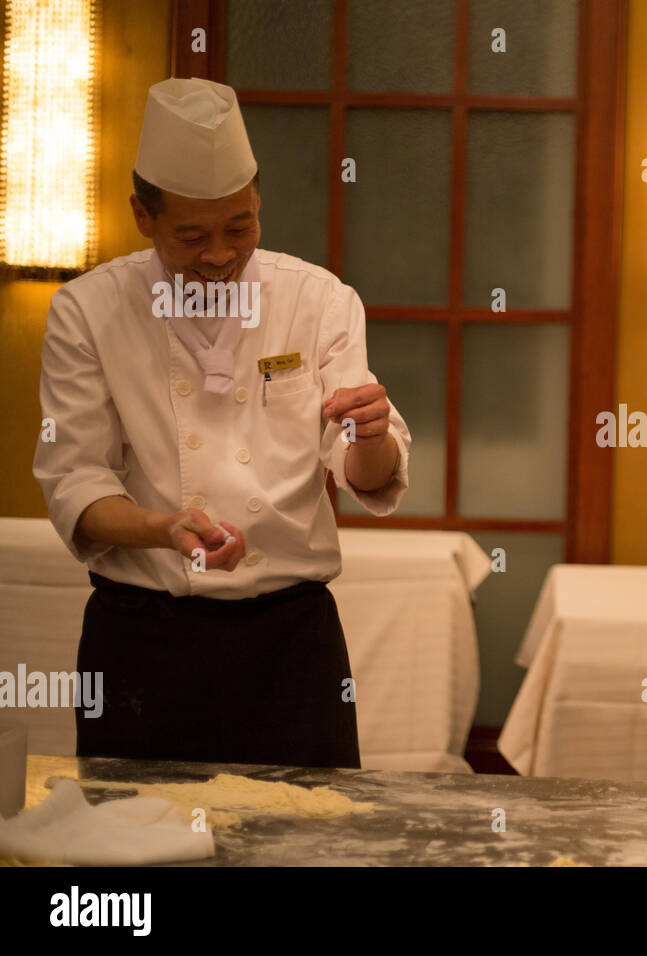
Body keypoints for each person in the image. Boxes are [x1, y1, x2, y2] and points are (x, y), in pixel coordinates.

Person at [32, 78, 413, 769]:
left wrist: (373, 433)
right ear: (143, 218)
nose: (219, 253)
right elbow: (74, 481)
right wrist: (164, 528)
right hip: (141, 642)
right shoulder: (87, 312)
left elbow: (365, 476)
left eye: (240, 227)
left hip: (292, 643)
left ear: (258, 204)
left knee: (312, 843)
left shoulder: (317, 299)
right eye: (192, 235)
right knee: (132, 839)